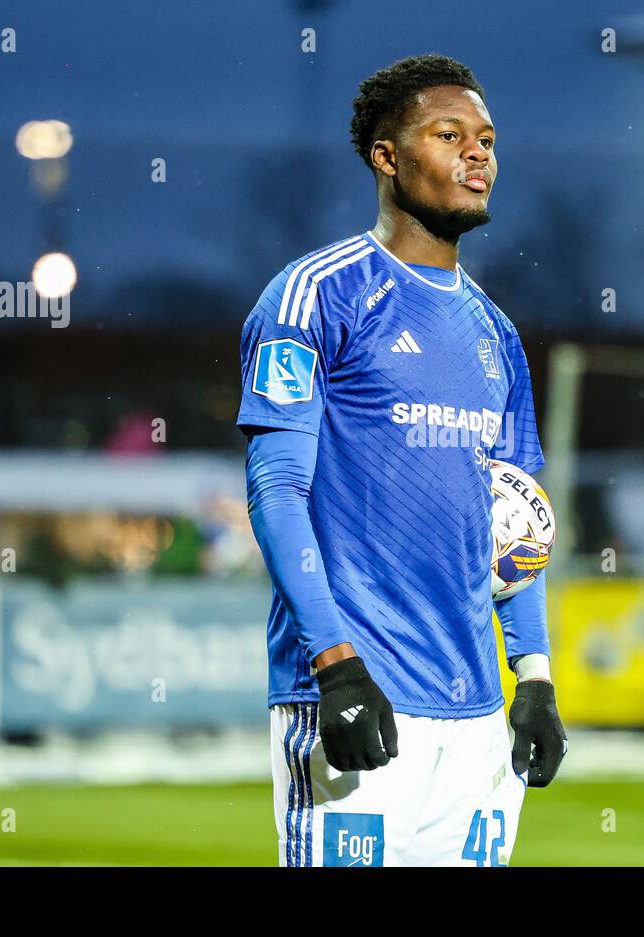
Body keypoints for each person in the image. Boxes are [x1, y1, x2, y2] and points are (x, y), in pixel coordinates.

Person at [235, 55, 565, 867]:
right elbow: (278, 491)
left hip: (480, 725)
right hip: (361, 697)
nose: (477, 154)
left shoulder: (498, 337)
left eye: (486, 139)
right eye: (449, 135)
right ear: (387, 157)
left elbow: (515, 526)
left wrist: (536, 677)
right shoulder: (317, 295)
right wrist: (335, 663)